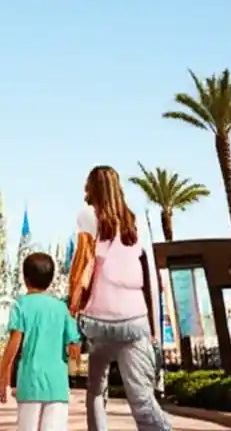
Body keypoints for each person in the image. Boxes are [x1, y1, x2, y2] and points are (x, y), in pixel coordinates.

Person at [69, 165, 171, 431]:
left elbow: (81, 265)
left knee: (96, 391)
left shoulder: (88, 215)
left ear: (93, 188)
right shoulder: (134, 223)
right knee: (142, 399)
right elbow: (149, 276)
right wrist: (153, 330)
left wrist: (72, 308)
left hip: (98, 320)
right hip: (135, 320)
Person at [0, 252, 81, 431]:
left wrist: (3, 374)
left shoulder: (22, 305)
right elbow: (74, 345)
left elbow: (14, 344)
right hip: (58, 387)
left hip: (30, 385)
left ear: (25, 278)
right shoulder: (61, 308)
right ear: (51, 279)